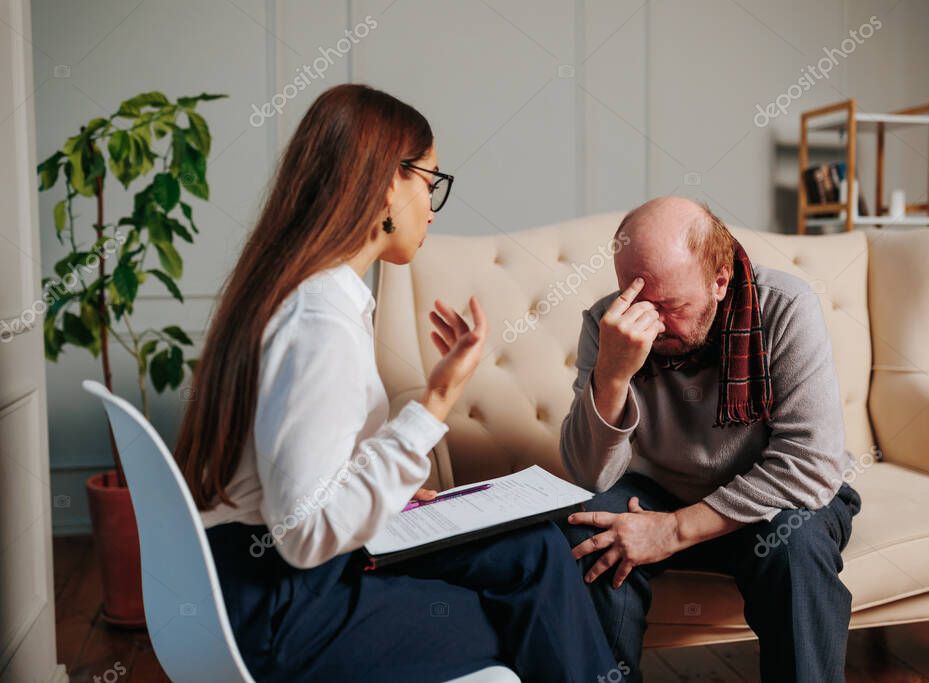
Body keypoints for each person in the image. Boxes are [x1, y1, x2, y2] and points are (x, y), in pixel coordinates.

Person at [174, 83, 617, 683]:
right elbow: (303, 532)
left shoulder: (308, 292)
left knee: (537, 550)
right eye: (429, 182)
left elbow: (306, 470)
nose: (432, 206)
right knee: (532, 617)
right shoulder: (319, 320)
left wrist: (390, 495)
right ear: (388, 181)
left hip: (264, 578)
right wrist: (435, 402)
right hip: (286, 607)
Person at [559, 196, 862, 683]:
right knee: (587, 536)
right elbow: (589, 474)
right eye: (636, 301)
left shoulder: (784, 306)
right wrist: (612, 376)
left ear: (720, 280)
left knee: (795, 546)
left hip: (773, 498)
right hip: (660, 489)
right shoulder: (607, 326)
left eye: (671, 306)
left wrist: (674, 530)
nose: (651, 325)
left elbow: (809, 466)